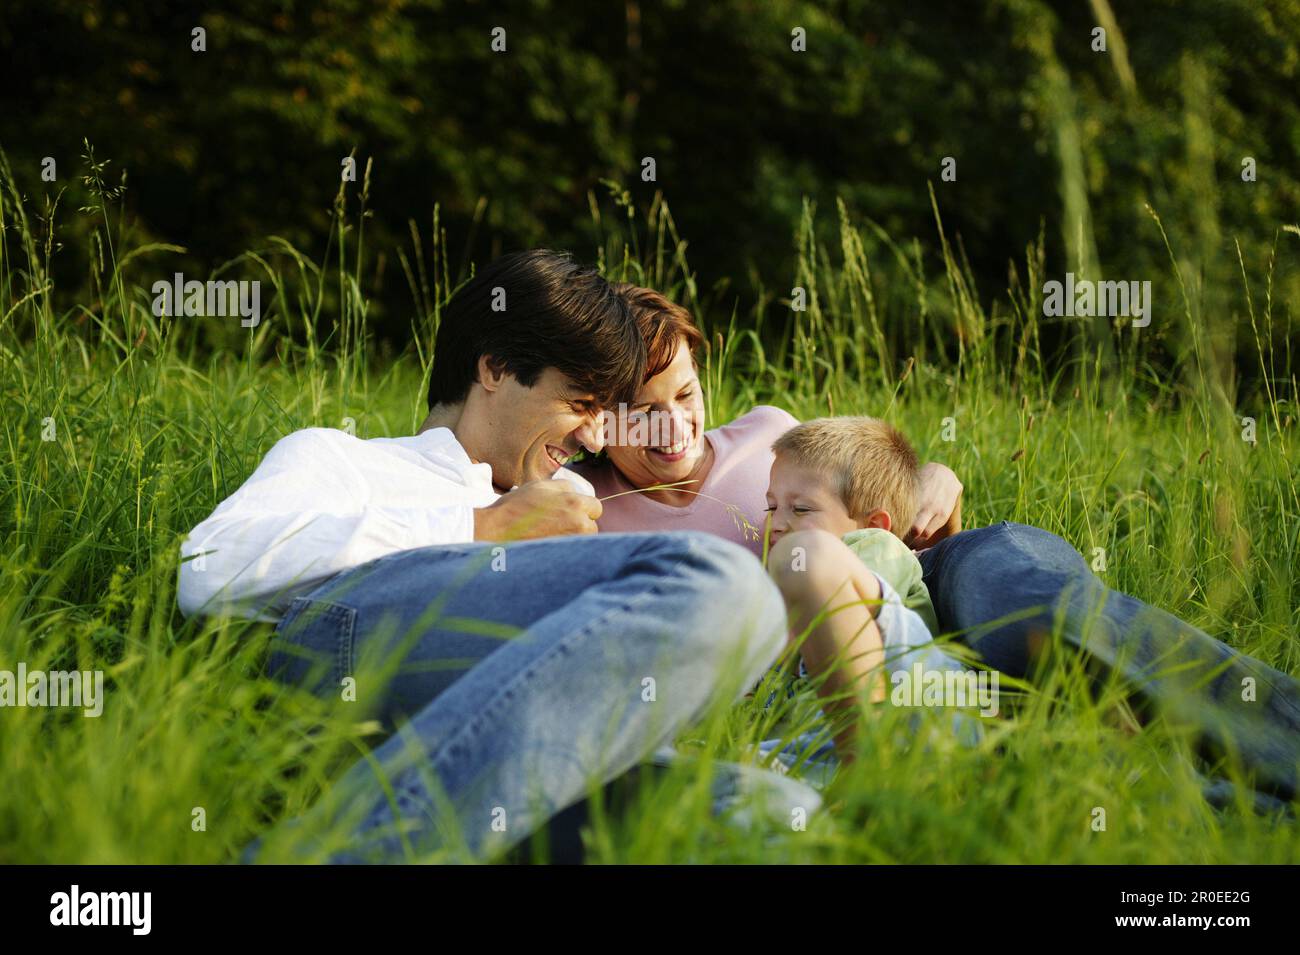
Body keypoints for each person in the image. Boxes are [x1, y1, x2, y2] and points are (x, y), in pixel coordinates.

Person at [177, 251, 793, 862]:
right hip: (348, 652)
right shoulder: (344, 458)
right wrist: (485, 527)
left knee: (773, 818)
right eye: (581, 404)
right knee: (731, 590)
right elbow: (209, 570)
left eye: (605, 415)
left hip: (501, 739)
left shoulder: (572, 499)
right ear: (495, 368)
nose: (595, 437)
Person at [580, 283, 1300, 803]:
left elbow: (870, 491)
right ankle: (1216, 798)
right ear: (594, 420)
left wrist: (935, 479)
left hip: (941, 567)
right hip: (854, 652)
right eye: (639, 414)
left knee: (1048, 617)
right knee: (1054, 745)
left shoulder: (766, 427)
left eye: (685, 394)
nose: (674, 427)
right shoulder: (594, 509)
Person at [765, 416, 976, 754]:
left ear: (875, 523)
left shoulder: (877, 546)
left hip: (905, 719)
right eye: (771, 506)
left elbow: (825, 618)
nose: (775, 523)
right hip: (818, 743)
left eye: (800, 509)